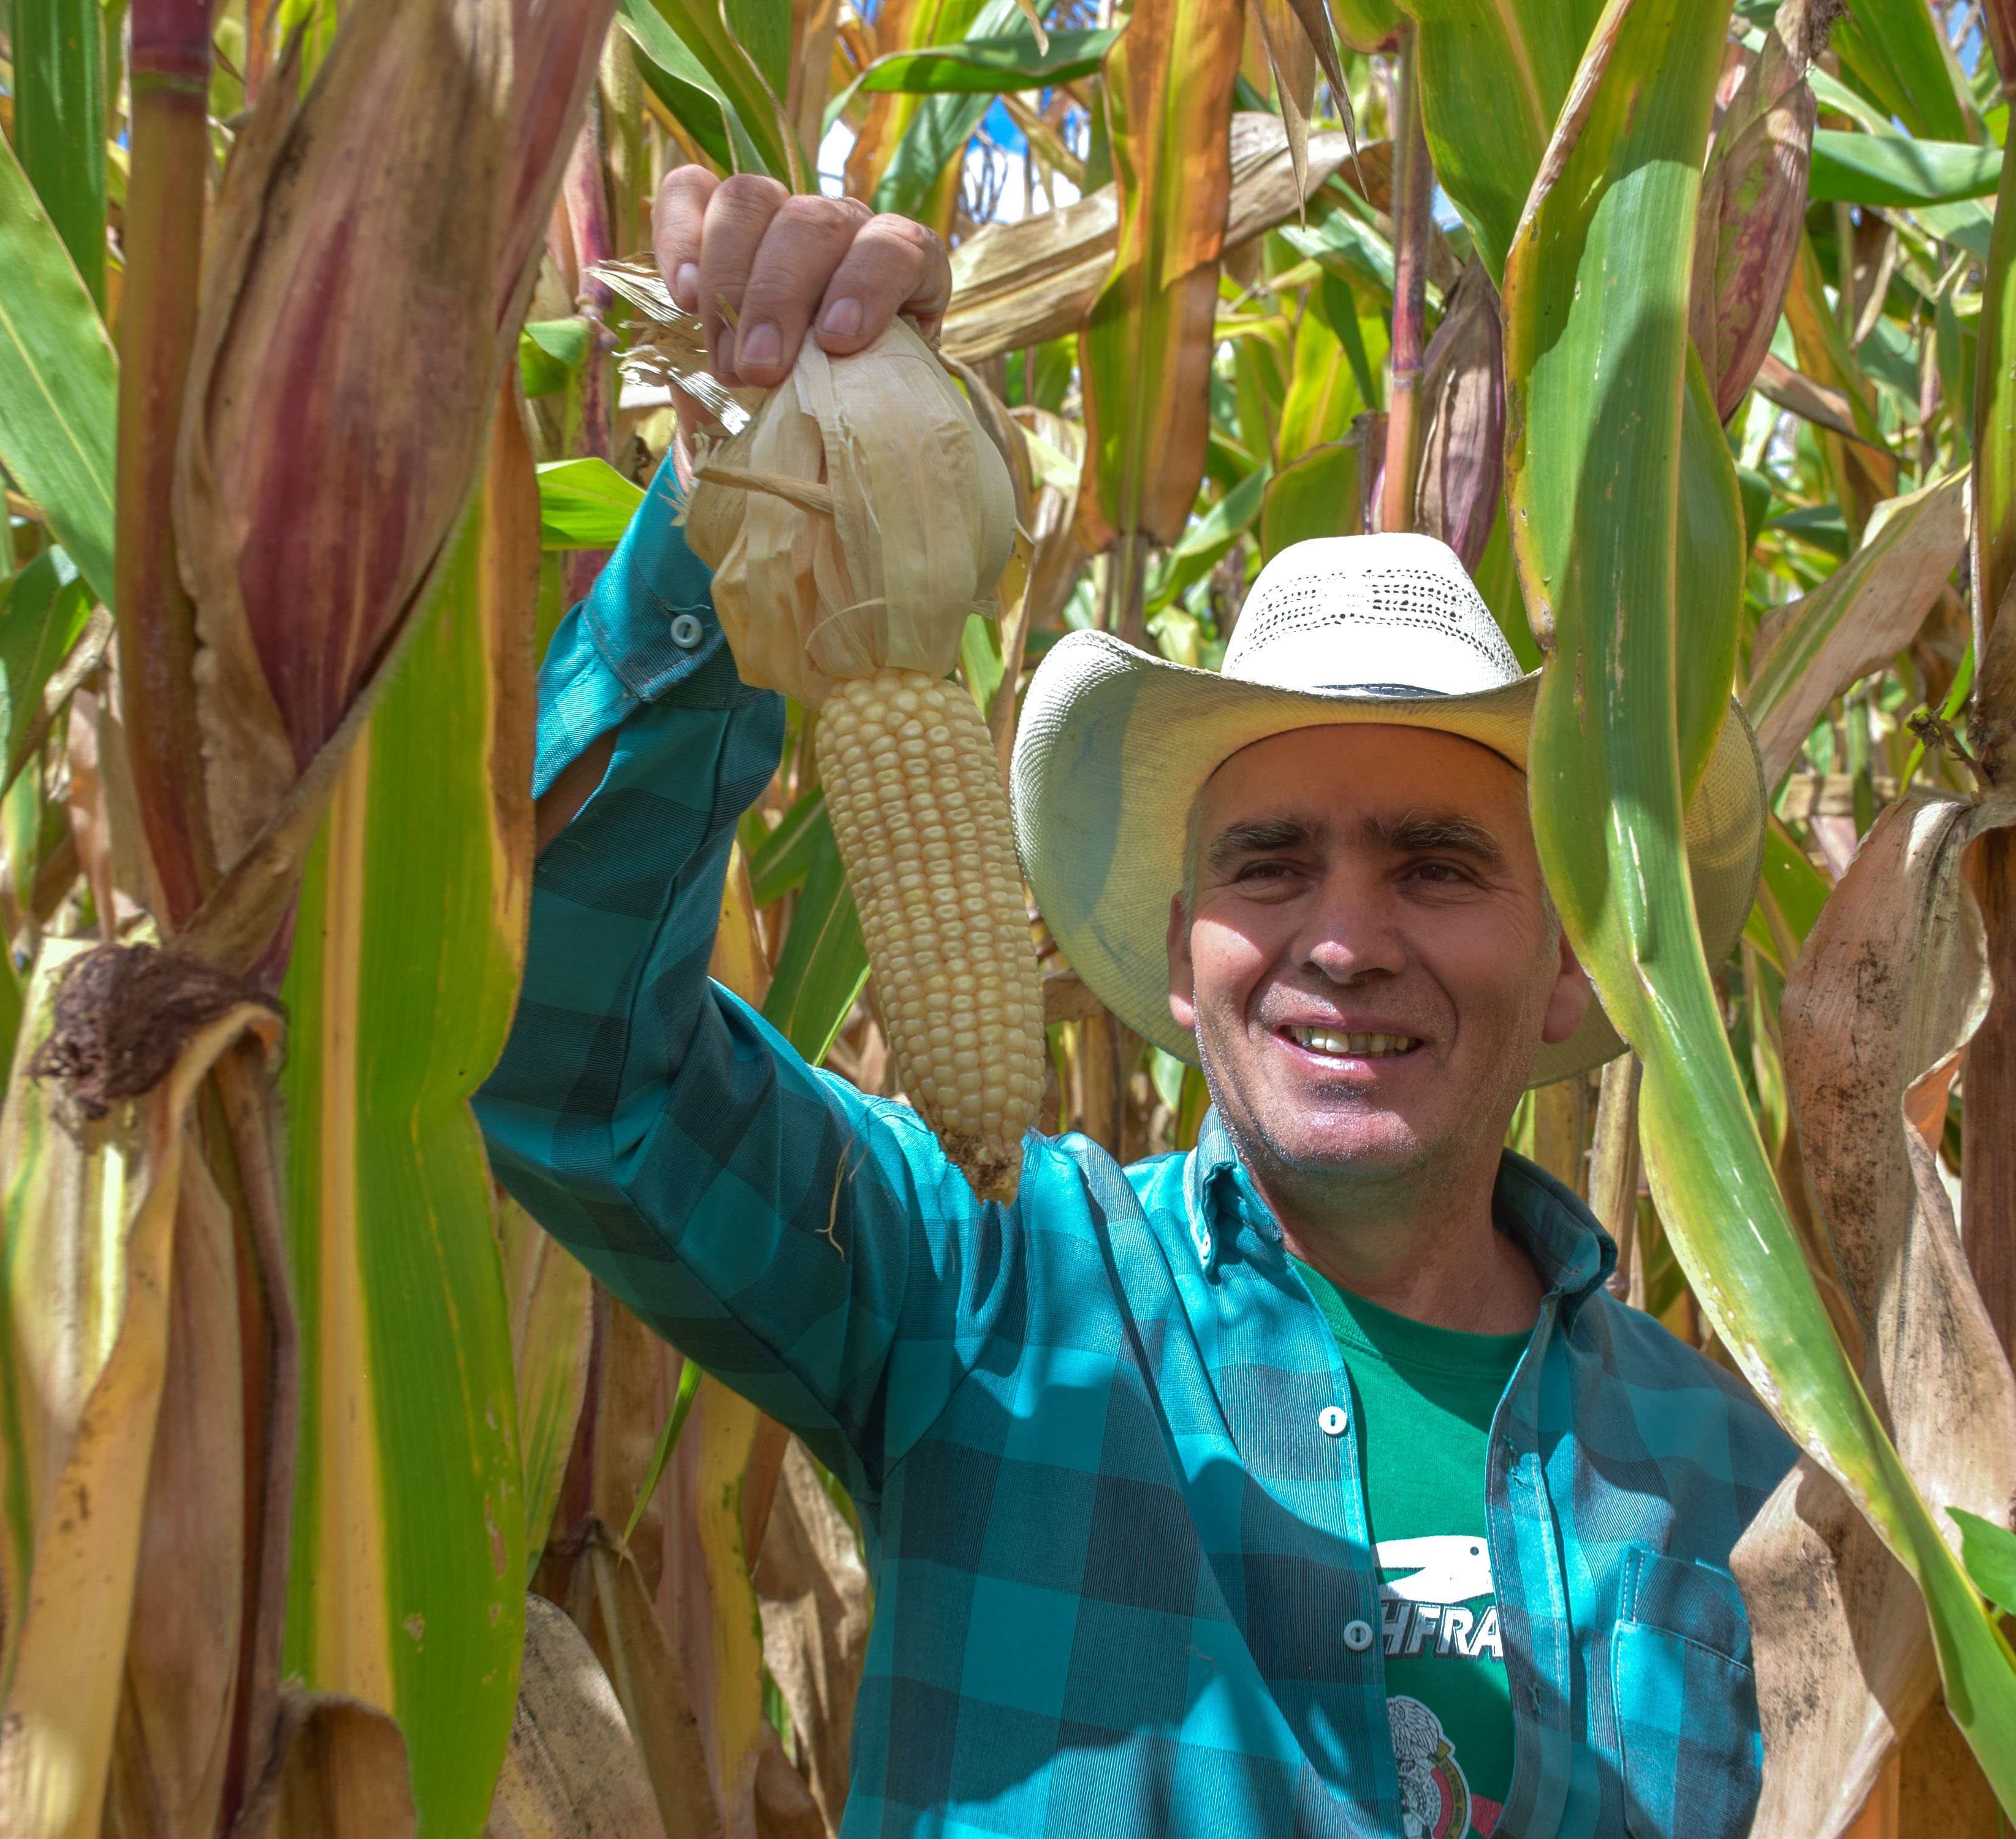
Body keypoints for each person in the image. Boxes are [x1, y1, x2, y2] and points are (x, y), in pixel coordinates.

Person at [476, 171, 1799, 1839]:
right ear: (1183, 959)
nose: (1345, 939)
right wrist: (742, 497)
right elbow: (570, 1057)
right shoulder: (984, 1286)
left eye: (1437, 865)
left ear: (1570, 969)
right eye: (1271, 865)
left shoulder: (1734, 1482)